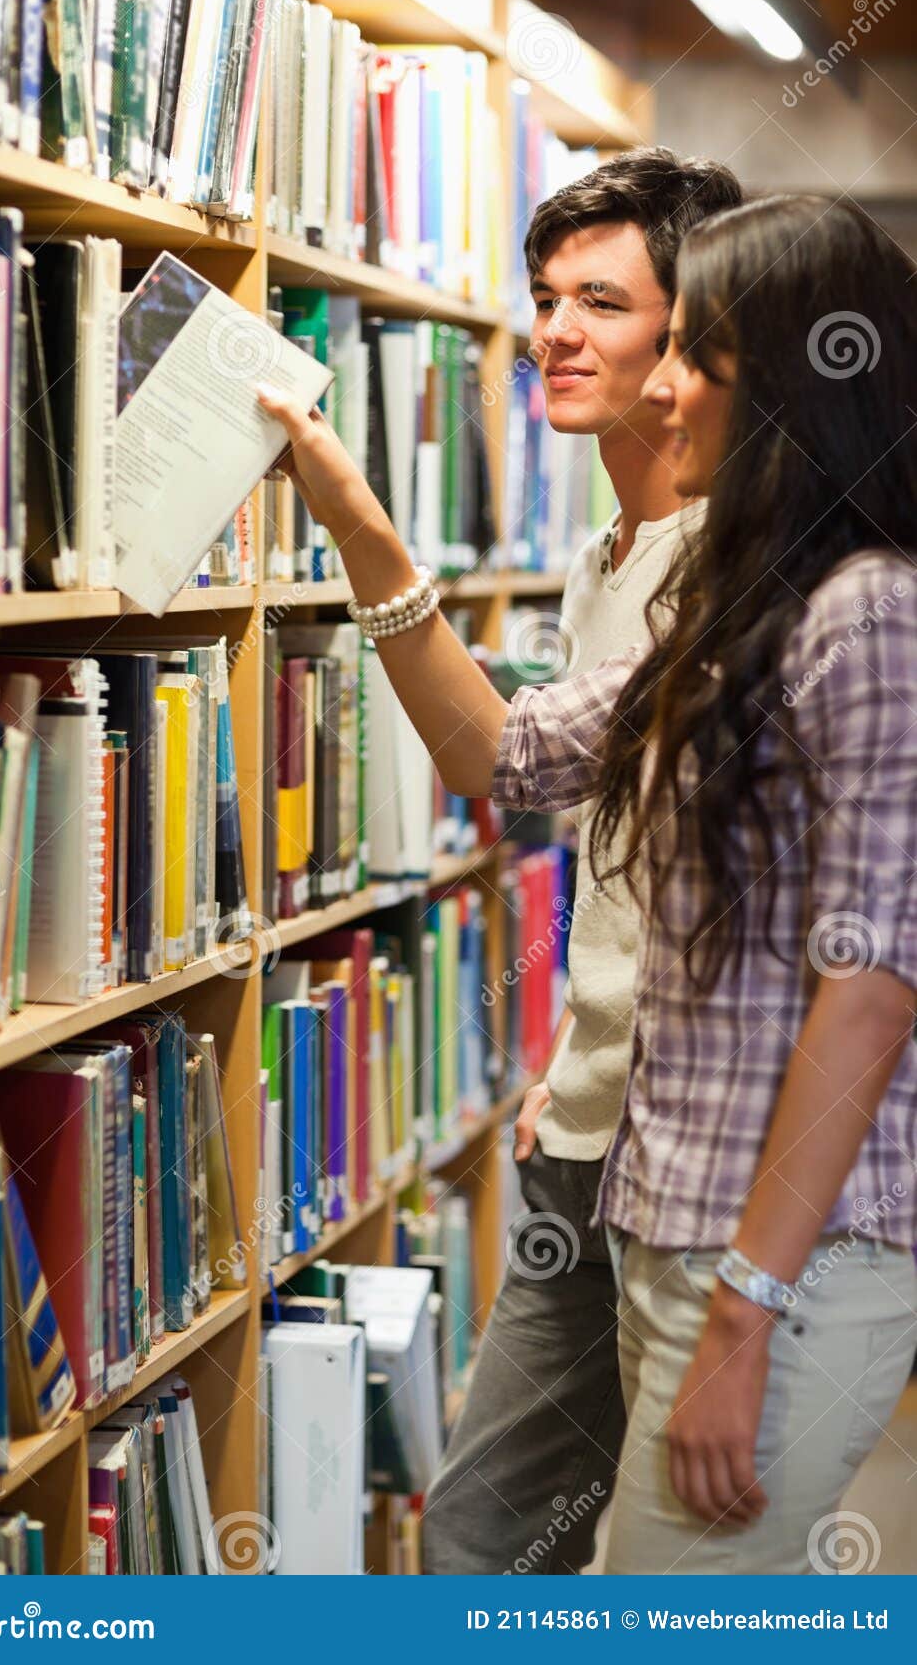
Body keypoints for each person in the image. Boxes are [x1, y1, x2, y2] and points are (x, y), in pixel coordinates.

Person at [257, 191, 917, 1573]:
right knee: (571, 1570)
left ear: (791, 377)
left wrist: (744, 1305)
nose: (660, 383)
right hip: (648, 1203)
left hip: (767, 1251)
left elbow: (866, 989)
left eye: (694, 348)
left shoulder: (869, 613)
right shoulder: (745, 599)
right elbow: (512, 754)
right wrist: (351, 514)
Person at [421, 147, 742, 1576]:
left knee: (678, 1569)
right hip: (578, 1133)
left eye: (599, 303)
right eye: (546, 297)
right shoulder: (602, 555)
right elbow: (618, 866)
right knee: (480, 1538)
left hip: (695, 1166)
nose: (553, 331)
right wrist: (571, 1040)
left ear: (692, 334)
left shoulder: (742, 574)